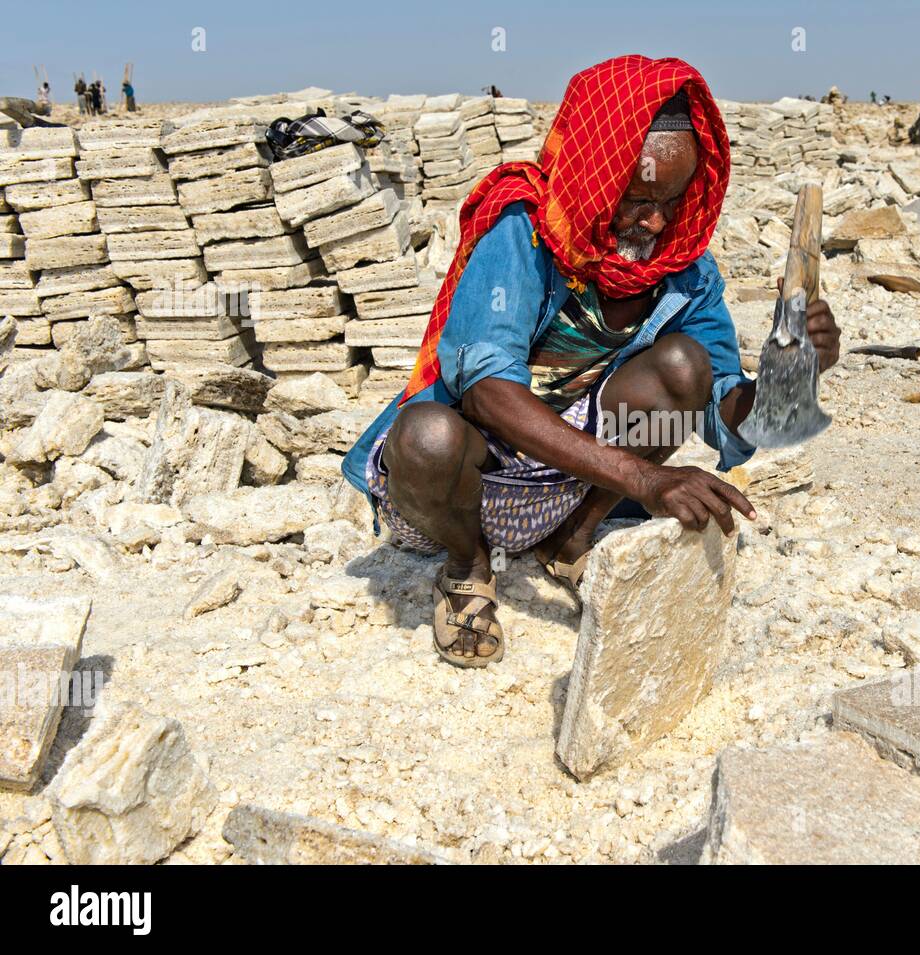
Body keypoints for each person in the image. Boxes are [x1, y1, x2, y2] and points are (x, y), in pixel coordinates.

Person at [341, 55, 842, 668]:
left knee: (685, 365)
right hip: (459, 490)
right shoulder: (524, 234)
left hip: (569, 481)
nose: (656, 220)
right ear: (593, 174)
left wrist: (789, 381)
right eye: (636, 197)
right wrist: (643, 480)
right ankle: (468, 568)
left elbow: (726, 413)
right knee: (424, 434)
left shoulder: (681, 269)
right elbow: (488, 394)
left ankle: (570, 538)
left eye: (671, 200)